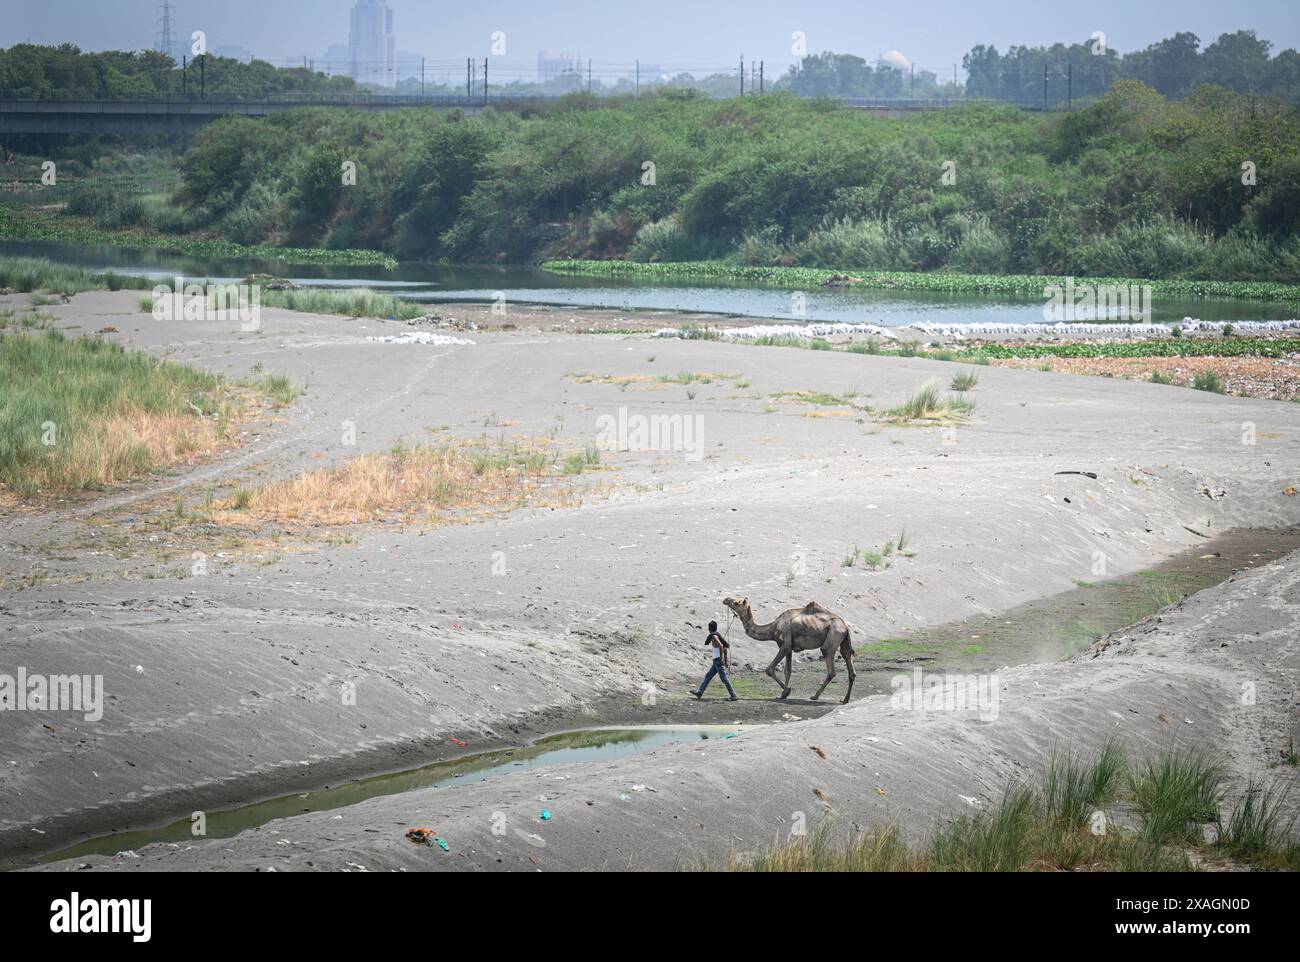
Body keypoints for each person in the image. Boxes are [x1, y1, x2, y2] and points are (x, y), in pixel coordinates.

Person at [690, 620, 737, 701]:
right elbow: (725, 648)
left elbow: (722, 646)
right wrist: (725, 661)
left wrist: (722, 659)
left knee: (724, 678)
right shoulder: (717, 635)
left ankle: (733, 695)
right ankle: (699, 692)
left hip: (718, 661)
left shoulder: (714, 637)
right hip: (716, 661)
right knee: (708, 676)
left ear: (709, 629)